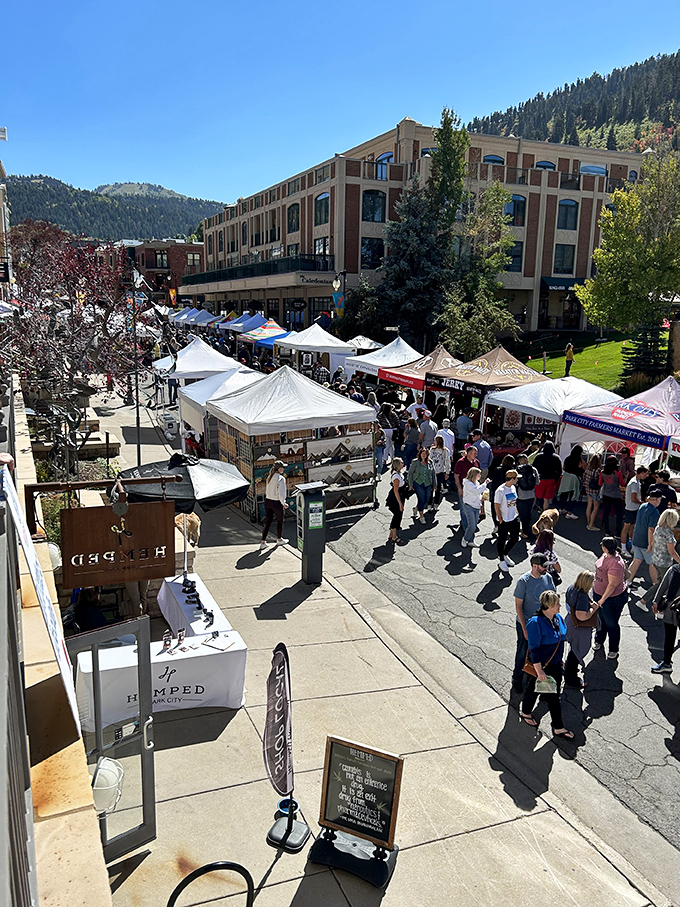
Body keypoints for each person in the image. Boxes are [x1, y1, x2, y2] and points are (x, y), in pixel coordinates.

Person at [520, 590, 574, 739]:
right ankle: (558, 727)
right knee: (553, 697)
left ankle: (525, 711)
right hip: (543, 666)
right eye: (557, 603)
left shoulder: (557, 619)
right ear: (549, 605)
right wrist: (540, 671)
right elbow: (534, 649)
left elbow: (559, 641)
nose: (560, 605)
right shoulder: (535, 623)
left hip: (554, 664)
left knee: (534, 688)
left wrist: (559, 659)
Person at [512, 553, 555, 693]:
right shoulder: (523, 581)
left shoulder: (548, 578)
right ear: (534, 566)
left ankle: (537, 677)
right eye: (543, 567)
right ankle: (517, 679)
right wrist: (524, 629)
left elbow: (552, 600)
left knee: (541, 652)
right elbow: (518, 607)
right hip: (527, 623)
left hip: (543, 623)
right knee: (523, 652)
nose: (546, 569)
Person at [592, 537, 628, 659]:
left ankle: (613, 649)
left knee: (611, 623)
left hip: (611, 599)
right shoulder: (606, 555)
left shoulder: (616, 564)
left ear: (605, 547)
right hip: (599, 594)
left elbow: (612, 584)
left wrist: (602, 600)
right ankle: (599, 640)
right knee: (601, 620)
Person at [564, 571, 600, 689]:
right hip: (579, 628)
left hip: (570, 622)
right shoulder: (582, 597)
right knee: (576, 652)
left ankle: (569, 669)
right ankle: (571, 679)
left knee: (573, 649)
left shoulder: (572, 588)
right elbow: (582, 616)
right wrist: (593, 609)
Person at [627, 490, 662, 585]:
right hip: (646, 542)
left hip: (637, 539)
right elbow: (651, 530)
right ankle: (656, 585)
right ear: (658, 499)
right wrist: (651, 544)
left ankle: (627, 581)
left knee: (636, 561)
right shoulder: (655, 512)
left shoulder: (642, 506)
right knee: (652, 564)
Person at [651, 562, 680, 674]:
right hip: (671, 609)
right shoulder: (674, 569)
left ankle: (666, 663)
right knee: (669, 636)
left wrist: (656, 601)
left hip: (671, 609)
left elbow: (663, 586)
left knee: (669, 636)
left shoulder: (675, 569)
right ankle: (666, 663)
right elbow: (663, 585)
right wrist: (655, 601)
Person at [495, 469, 520, 573]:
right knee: (502, 539)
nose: (518, 480)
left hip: (513, 517)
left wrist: (517, 511)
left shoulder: (513, 487)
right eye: (517, 478)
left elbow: (514, 501)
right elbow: (496, 505)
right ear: (512, 479)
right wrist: (500, 518)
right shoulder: (500, 490)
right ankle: (501, 560)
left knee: (515, 538)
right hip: (504, 519)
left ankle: (505, 554)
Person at [260, 460, 289, 550]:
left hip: (268, 501)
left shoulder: (270, 477)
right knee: (279, 521)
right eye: (282, 467)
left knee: (268, 521)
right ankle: (279, 539)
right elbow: (281, 493)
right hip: (276, 502)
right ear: (279, 468)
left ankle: (263, 542)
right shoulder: (281, 479)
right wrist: (283, 503)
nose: (283, 468)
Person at [622, 466, 649, 556]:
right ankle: (623, 548)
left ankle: (631, 545)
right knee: (626, 528)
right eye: (646, 473)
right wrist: (641, 502)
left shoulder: (637, 482)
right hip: (630, 508)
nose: (646, 475)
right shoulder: (634, 483)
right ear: (641, 473)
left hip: (634, 508)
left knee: (632, 527)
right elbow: (633, 498)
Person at [454, 446, 480, 533]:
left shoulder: (477, 462)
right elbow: (456, 476)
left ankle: (468, 524)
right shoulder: (461, 462)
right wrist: (459, 489)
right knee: (464, 509)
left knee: (472, 508)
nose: (476, 455)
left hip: (474, 490)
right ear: (468, 453)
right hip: (464, 489)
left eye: (476, 453)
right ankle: (466, 528)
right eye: (474, 453)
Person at [407, 447, 436, 524]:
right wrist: (410, 484)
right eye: (422, 453)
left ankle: (416, 508)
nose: (423, 455)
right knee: (421, 499)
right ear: (419, 454)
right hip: (418, 483)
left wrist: (435, 484)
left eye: (425, 454)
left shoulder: (430, 462)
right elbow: (410, 473)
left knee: (426, 500)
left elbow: (433, 474)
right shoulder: (415, 462)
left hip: (428, 483)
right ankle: (421, 516)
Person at [461, 467, 489, 548]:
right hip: (469, 506)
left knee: (474, 525)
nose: (480, 475)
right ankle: (465, 539)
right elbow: (476, 491)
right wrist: (485, 483)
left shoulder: (476, 482)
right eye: (479, 474)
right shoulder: (468, 483)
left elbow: (476, 494)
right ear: (474, 475)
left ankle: (471, 540)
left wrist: (481, 498)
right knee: (472, 525)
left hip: (476, 506)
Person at [651, 508, 680, 585]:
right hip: (665, 563)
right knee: (664, 585)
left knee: (659, 583)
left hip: (656, 560)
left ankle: (648, 597)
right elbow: (672, 552)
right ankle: (645, 598)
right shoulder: (668, 533)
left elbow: (653, 543)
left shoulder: (658, 528)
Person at [599, 456, 625, 538]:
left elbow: (600, 483)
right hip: (616, 495)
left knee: (606, 513)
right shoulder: (618, 473)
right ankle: (618, 532)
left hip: (606, 494)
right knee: (619, 515)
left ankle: (607, 530)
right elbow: (622, 484)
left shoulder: (602, 472)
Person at [489, 455, 516, 534]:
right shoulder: (511, 472)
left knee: (494, 509)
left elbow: (493, 481)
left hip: (496, 492)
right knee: (506, 509)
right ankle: (505, 525)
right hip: (507, 493)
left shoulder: (498, 469)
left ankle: (496, 525)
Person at [533, 441, 562, 510]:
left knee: (535, 497)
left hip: (540, 480)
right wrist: (555, 480)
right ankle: (545, 515)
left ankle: (530, 513)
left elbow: (533, 468)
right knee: (546, 499)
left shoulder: (539, 456)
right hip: (551, 480)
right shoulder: (556, 458)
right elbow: (559, 471)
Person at [558, 444, 585, 520]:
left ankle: (561, 509)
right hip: (574, 478)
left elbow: (563, 468)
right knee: (573, 496)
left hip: (566, 477)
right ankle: (569, 512)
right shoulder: (579, 460)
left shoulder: (567, 458)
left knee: (564, 494)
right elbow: (585, 468)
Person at [516, 453, 539, 538]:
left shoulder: (517, 469)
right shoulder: (533, 469)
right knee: (528, 513)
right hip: (531, 495)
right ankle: (526, 530)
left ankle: (524, 530)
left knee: (521, 513)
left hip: (521, 495)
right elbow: (537, 482)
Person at [386, 457, 406, 545]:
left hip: (400, 497)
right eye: (401, 463)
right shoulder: (396, 477)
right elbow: (396, 490)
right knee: (397, 516)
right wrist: (400, 503)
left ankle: (391, 534)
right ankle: (394, 537)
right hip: (395, 499)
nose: (403, 464)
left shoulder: (398, 474)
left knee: (397, 515)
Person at [428, 435, 451, 510]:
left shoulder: (445, 451)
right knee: (434, 489)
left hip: (438, 472)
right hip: (435, 471)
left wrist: (447, 472)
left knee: (436, 489)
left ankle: (434, 504)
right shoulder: (432, 449)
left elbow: (447, 462)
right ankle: (432, 504)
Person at [584, 453, 602, 531]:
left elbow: (584, 477)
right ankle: (591, 525)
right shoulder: (598, 470)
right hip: (595, 490)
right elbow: (600, 481)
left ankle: (588, 522)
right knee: (595, 508)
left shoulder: (588, 468)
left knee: (589, 506)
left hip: (588, 489)